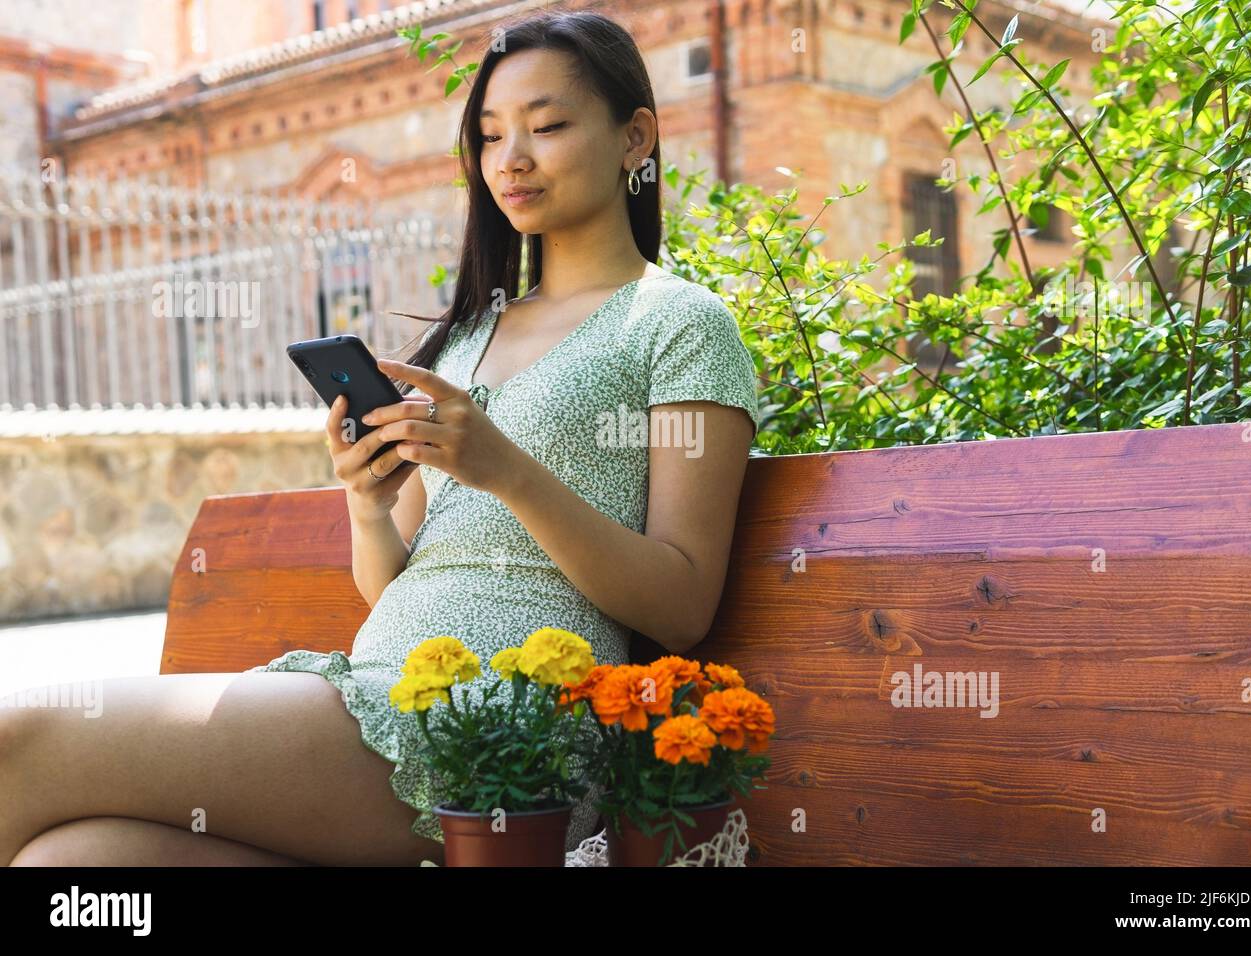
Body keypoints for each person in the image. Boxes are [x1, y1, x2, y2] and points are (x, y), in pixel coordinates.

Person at [0, 9, 759, 867]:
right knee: (74, 869)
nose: (511, 157)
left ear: (635, 139)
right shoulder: (473, 334)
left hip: (506, 733)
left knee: (18, 737)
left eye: (546, 126)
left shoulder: (681, 325)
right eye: (489, 134)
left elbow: (685, 601)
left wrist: (509, 473)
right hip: (383, 689)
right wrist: (368, 504)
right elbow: (389, 583)